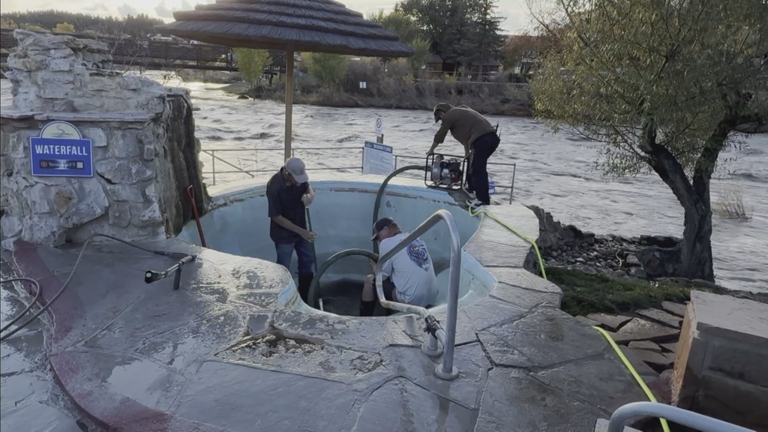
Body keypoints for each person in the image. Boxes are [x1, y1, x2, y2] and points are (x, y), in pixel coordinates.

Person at [427, 103, 500, 209]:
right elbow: (466, 140)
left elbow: (440, 135)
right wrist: (467, 155)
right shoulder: (461, 112)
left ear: (442, 112)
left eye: (440, 118)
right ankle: (473, 191)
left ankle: (482, 200)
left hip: (483, 139)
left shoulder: (449, 115)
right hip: (492, 138)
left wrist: (431, 150)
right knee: (475, 166)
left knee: (477, 169)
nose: (442, 120)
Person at [361, 217, 438, 316]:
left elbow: (382, 276)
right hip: (432, 296)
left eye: (378, 237)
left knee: (370, 281)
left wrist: (373, 264)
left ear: (386, 230)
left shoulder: (386, 243)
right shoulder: (415, 237)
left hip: (412, 300)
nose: (379, 241)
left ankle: (364, 319)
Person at [267, 157, 316, 302]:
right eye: (296, 179)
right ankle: (284, 300)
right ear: (287, 173)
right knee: (284, 268)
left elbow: (308, 186)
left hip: (301, 227)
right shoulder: (274, 186)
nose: (298, 183)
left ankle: (306, 297)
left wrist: (310, 195)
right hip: (283, 234)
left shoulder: (299, 180)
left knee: (307, 260)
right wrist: (302, 233)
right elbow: (276, 217)